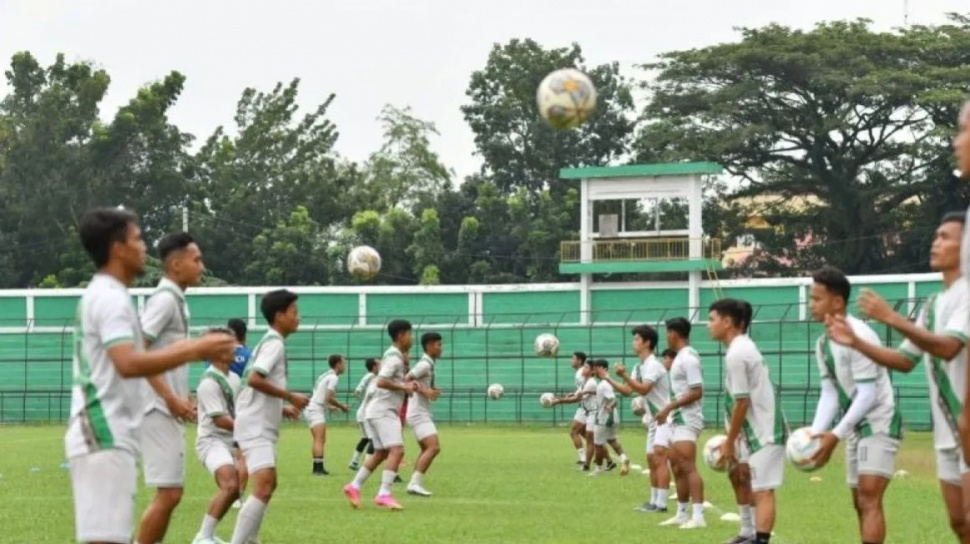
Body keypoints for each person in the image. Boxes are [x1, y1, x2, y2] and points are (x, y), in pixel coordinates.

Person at [66, 207, 234, 544]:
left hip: (115, 427)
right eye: (138, 239)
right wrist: (196, 351)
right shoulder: (117, 298)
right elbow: (129, 361)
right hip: (105, 426)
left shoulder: (116, 296)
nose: (145, 247)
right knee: (143, 512)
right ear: (118, 248)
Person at [827, 213, 969, 543]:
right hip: (948, 431)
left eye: (946, 237)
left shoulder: (967, 295)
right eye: (935, 235)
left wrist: (891, 318)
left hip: (967, 423)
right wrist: (857, 341)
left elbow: (948, 347)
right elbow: (905, 361)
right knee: (960, 522)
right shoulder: (933, 304)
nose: (936, 242)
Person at [809, 266, 903, 544]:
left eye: (816, 299)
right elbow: (830, 393)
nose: (810, 305)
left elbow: (868, 394)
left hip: (879, 421)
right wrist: (815, 434)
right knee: (859, 501)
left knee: (869, 496)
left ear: (837, 302)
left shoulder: (859, 335)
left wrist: (834, 435)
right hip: (855, 427)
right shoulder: (823, 343)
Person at [137, 232, 206, 544]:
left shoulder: (176, 298)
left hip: (164, 405)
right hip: (154, 407)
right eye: (197, 260)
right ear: (176, 265)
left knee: (171, 492)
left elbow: (167, 354)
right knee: (169, 493)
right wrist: (169, 398)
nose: (202, 266)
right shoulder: (164, 300)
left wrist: (184, 395)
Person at [227, 290, 310, 544]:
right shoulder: (273, 342)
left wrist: (280, 406)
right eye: (294, 312)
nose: (299, 317)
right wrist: (289, 396)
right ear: (279, 316)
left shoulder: (270, 341)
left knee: (268, 484)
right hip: (255, 426)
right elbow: (254, 379)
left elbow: (252, 382)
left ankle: (251, 540)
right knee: (263, 486)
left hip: (256, 423)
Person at [709, 298, 786, 544]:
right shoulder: (739, 349)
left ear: (728, 322)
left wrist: (729, 441)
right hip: (750, 430)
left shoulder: (738, 353)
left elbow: (742, 401)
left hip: (765, 431)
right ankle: (747, 532)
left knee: (763, 489)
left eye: (712, 319)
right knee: (739, 475)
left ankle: (760, 539)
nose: (708, 325)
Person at [343, 319, 418, 510]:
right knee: (397, 451)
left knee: (381, 452)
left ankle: (354, 486)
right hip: (383, 411)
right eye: (410, 334)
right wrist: (403, 386)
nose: (412, 337)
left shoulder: (395, 356)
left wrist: (405, 383)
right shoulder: (393, 357)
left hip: (375, 411)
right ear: (401, 336)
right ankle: (384, 494)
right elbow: (381, 381)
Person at [604, 325, 672, 512]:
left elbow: (643, 389)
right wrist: (608, 378)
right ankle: (653, 501)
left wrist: (623, 374)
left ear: (647, 343)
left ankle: (662, 504)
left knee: (660, 458)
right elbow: (628, 390)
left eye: (636, 339)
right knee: (651, 459)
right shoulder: (638, 366)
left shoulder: (654, 365)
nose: (633, 342)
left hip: (665, 417)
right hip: (653, 419)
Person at [192, 327, 243, 544]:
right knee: (230, 485)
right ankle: (202, 537)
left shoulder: (233, 377)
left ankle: (208, 535)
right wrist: (250, 428)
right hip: (211, 441)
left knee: (234, 491)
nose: (235, 348)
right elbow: (220, 419)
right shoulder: (208, 383)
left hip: (230, 441)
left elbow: (240, 411)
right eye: (228, 345)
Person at [655, 317, 706, 529]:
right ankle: (682, 514)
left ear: (673, 333)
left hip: (688, 418)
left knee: (687, 466)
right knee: (676, 465)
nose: (666, 336)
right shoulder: (680, 358)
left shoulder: (688, 359)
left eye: (667, 332)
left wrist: (669, 407)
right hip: (678, 418)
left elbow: (697, 391)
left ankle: (699, 517)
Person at [405, 331, 444, 496]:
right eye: (438, 345)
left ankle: (415, 483)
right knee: (434, 447)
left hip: (420, 412)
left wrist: (431, 390)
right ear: (429, 346)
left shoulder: (429, 364)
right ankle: (414, 484)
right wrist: (425, 391)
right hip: (418, 413)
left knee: (426, 449)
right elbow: (407, 378)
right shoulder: (424, 364)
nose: (441, 348)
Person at [306, 354, 350, 475]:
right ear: (338, 364)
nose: (345, 366)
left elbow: (319, 395)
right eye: (343, 363)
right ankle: (319, 469)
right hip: (316, 409)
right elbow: (328, 397)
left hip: (311, 407)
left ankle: (316, 467)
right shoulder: (333, 377)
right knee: (320, 439)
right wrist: (342, 407)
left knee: (317, 439)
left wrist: (331, 407)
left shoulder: (324, 375)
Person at [590, 359, 630, 474]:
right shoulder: (604, 384)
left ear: (604, 369)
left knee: (597, 444)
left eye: (596, 368)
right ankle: (623, 458)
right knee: (612, 440)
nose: (594, 371)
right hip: (612, 417)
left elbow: (614, 399)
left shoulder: (604, 384)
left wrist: (610, 406)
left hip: (604, 418)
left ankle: (598, 469)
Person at [349, 358, 380, 471]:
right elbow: (359, 391)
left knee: (365, 438)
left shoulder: (372, 378)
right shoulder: (372, 377)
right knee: (373, 439)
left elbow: (358, 391)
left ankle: (354, 461)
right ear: (374, 366)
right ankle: (367, 466)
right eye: (378, 364)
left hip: (363, 412)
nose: (380, 366)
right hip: (366, 414)